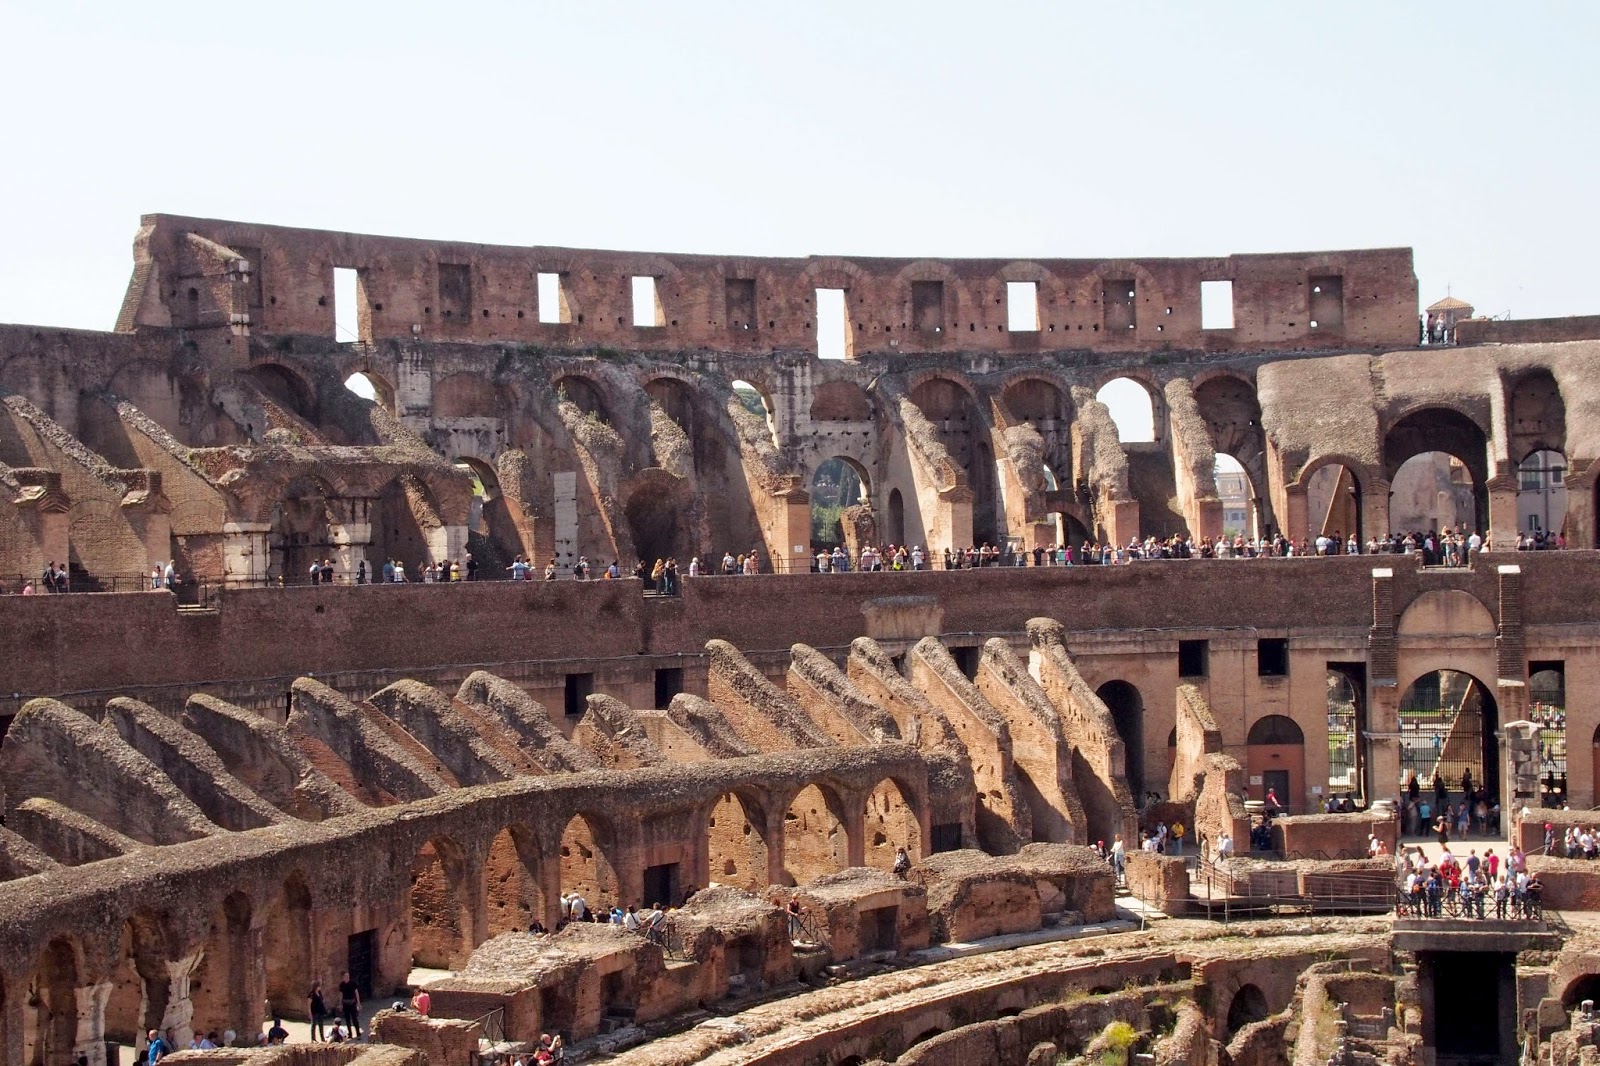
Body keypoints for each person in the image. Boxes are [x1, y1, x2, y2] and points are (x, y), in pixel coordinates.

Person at [338, 970, 362, 1038]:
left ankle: (358, 1033)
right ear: (343, 977)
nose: (347, 977)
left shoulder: (353, 983)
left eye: (348, 976)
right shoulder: (342, 985)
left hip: (352, 1003)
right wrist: (340, 1004)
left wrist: (358, 1003)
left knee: (354, 1019)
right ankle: (350, 1034)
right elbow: (341, 995)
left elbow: (356, 993)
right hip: (345, 1004)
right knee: (347, 1020)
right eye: (345, 976)